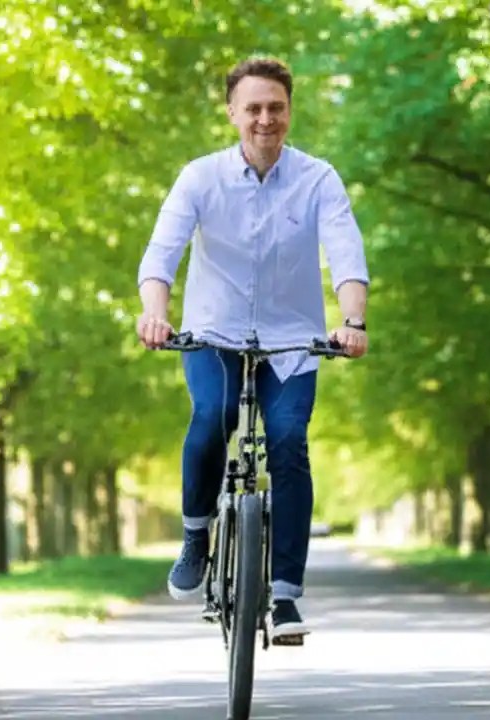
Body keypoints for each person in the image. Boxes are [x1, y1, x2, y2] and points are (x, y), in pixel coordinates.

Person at [134, 57, 370, 641]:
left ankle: (285, 594)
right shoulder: (200, 178)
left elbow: (346, 254)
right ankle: (196, 535)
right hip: (213, 334)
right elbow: (162, 253)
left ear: (290, 111)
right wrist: (156, 315)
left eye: (276, 108)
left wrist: (352, 321)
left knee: (288, 443)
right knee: (213, 416)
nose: (266, 119)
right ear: (233, 113)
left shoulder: (319, 179)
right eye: (254, 108)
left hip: (292, 343)